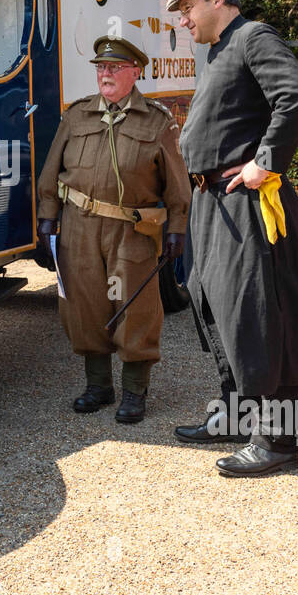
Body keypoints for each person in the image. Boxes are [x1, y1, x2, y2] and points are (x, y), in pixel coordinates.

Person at [166, 0, 298, 476]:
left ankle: (277, 443)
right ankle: (234, 417)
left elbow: (297, 95)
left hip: (245, 203)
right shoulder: (219, 49)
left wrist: (264, 162)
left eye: (188, 8)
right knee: (217, 309)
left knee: (261, 316)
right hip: (212, 204)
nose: (183, 19)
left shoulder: (253, 37)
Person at [35, 36, 191, 424]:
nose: (105, 74)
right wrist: (47, 215)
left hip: (132, 230)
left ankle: (135, 392)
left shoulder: (158, 121)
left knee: (136, 309)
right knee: (83, 305)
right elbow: (52, 171)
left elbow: (177, 185)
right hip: (79, 228)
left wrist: (177, 231)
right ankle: (99, 386)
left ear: (135, 73)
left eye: (114, 68)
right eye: (101, 68)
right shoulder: (77, 116)